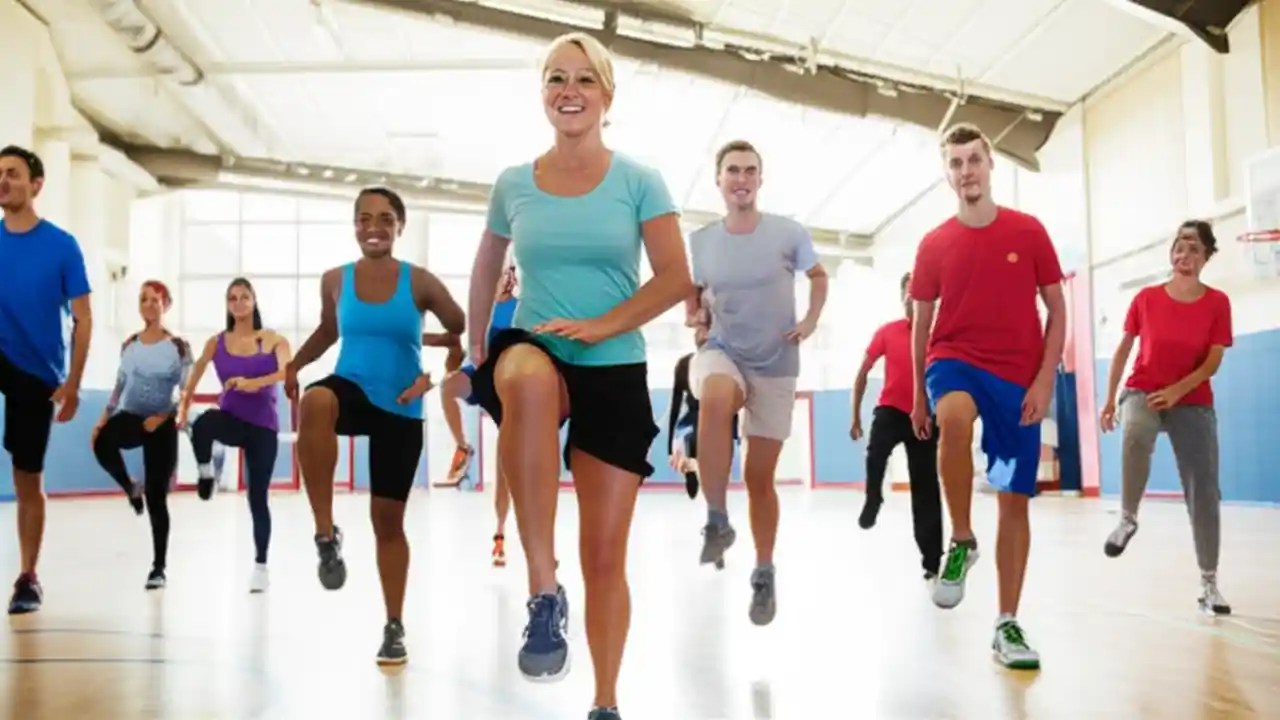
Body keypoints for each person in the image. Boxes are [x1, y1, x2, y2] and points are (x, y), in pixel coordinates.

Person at [464, 32, 691, 720]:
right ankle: (541, 587)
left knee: (604, 557)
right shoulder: (513, 183)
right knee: (526, 377)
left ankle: (605, 699)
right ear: (542, 94)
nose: (569, 89)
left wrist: (603, 325)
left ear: (607, 97)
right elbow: (485, 265)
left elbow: (678, 278)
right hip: (536, 345)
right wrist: (479, 350)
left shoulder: (640, 180)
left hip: (613, 365)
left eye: (585, 79)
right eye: (556, 78)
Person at [907, 122, 1066, 670]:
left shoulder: (1029, 232)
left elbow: (1058, 310)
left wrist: (1045, 380)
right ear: (946, 172)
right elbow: (920, 323)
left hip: (1018, 377)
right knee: (953, 418)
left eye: (974, 159)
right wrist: (918, 397)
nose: (966, 171)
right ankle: (961, 538)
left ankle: (1006, 624)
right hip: (953, 360)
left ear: (990, 164)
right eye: (956, 163)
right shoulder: (933, 244)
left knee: (1013, 500)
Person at [285, 186, 464, 667]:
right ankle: (325, 534)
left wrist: (442, 358)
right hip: (353, 385)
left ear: (400, 227)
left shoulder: (419, 281)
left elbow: (460, 325)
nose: (373, 227)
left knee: (387, 523)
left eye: (385, 219)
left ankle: (394, 626)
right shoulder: (335, 280)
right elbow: (329, 331)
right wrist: (294, 366)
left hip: (402, 406)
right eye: (364, 218)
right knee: (318, 400)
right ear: (355, 225)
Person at [687, 139, 828, 627]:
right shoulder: (701, 240)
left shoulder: (788, 233)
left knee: (759, 478)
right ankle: (717, 519)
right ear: (720, 181)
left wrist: (809, 320)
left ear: (760, 180)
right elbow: (694, 292)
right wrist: (696, 315)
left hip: (775, 362)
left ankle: (764, 572)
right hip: (722, 351)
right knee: (716, 395)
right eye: (732, 171)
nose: (741, 178)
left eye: (749, 170)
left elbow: (819, 276)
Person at [1098, 220, 1232, 615]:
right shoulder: (1145, 299)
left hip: (1192, 398)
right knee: (1136, 431)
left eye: (1194, 248)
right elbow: (1123, 350)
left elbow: (1212, 361)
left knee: (1204, 489)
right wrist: (1110, 400)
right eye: (1179, 246)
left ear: (1206, 256)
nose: (1184, 254)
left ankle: (1209, 583)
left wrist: (1178, 390)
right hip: (1143, 390)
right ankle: (1127, 519)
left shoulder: (1217, 303)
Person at [0, 145, 93, 615]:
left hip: (36, 374)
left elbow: (83, 318)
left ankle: (28, 577)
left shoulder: (61, 246)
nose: (3, 181)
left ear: (35, 184)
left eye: (12, 174)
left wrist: (74, 383)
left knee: (27, 477)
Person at [177, 278, 291, 593]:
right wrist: (183, 408)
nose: (238, 303)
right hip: (231, 419)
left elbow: (287, 371)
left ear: (254, 301)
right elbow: (195, 375)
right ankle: (205, 473)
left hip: (262, 427)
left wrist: (254, 383)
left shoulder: (271, 340)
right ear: (227, 305)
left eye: (244, 297)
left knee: (257, 498)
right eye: (232, 298)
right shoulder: (217, 342)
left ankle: (261, 566)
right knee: (202, 425)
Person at [91, 281, 191, 590]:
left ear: (166, 305)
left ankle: (158, 567)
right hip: (132, 418)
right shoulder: (130, 345)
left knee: (157, 497)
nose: (149, 305)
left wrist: (164, 416)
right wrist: (103, 417)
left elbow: (185, 392)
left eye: (155, 300)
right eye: (143, 299)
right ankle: (131, 487)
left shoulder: (178, 347)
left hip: (160, 426)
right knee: (102, 443)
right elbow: (120, 384)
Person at [851, 272, 943, 580]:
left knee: (926, 485)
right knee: (875, 454)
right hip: (891, 409)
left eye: (918, 293)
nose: (912, 298)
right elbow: (863, 371)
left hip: (926, 415)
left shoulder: (939, 334)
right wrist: (855, 416)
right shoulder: (887, 332)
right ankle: (873, 497)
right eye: (908, 292)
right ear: (902, 297)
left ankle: (932, 559)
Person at [430, 264, 519, 567]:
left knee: (504, 466)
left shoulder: (524, 309)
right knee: (448, 386)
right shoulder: (482, 308)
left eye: (510, 277)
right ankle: (462, 447)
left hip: (509, 383)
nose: (506, 281)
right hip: (481, 374)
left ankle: (500, 533)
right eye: (501, 276)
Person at [666, 326, 739, 501]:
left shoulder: (725, 364)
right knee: (694, 436)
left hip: (719, 415)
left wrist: (735, 431)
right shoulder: (684, 364)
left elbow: (734, 400)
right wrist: (669, 446)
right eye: (699, 331)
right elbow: (675, 405)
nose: (703, 334)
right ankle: (692, 465)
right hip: (694, 417)